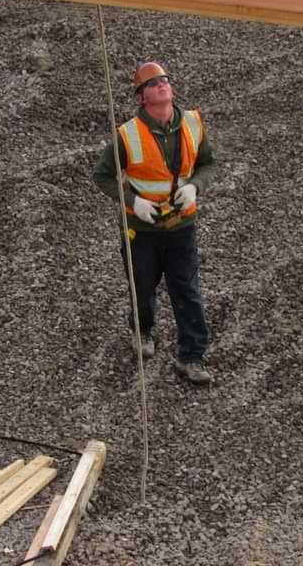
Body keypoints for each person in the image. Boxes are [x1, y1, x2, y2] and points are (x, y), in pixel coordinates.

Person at [93, 60, 216, 384]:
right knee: (142, 285)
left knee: (186, 289)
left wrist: (195, 186)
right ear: (141, 97)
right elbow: (102, 176)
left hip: (181, 225)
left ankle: (191, 357)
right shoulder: (127, 135)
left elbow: (208, 164)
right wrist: (133, 201)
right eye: (152, 83)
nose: (161, 84)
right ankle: (143, 329)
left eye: (164, 79)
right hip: (142, 228)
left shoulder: (193, 124)